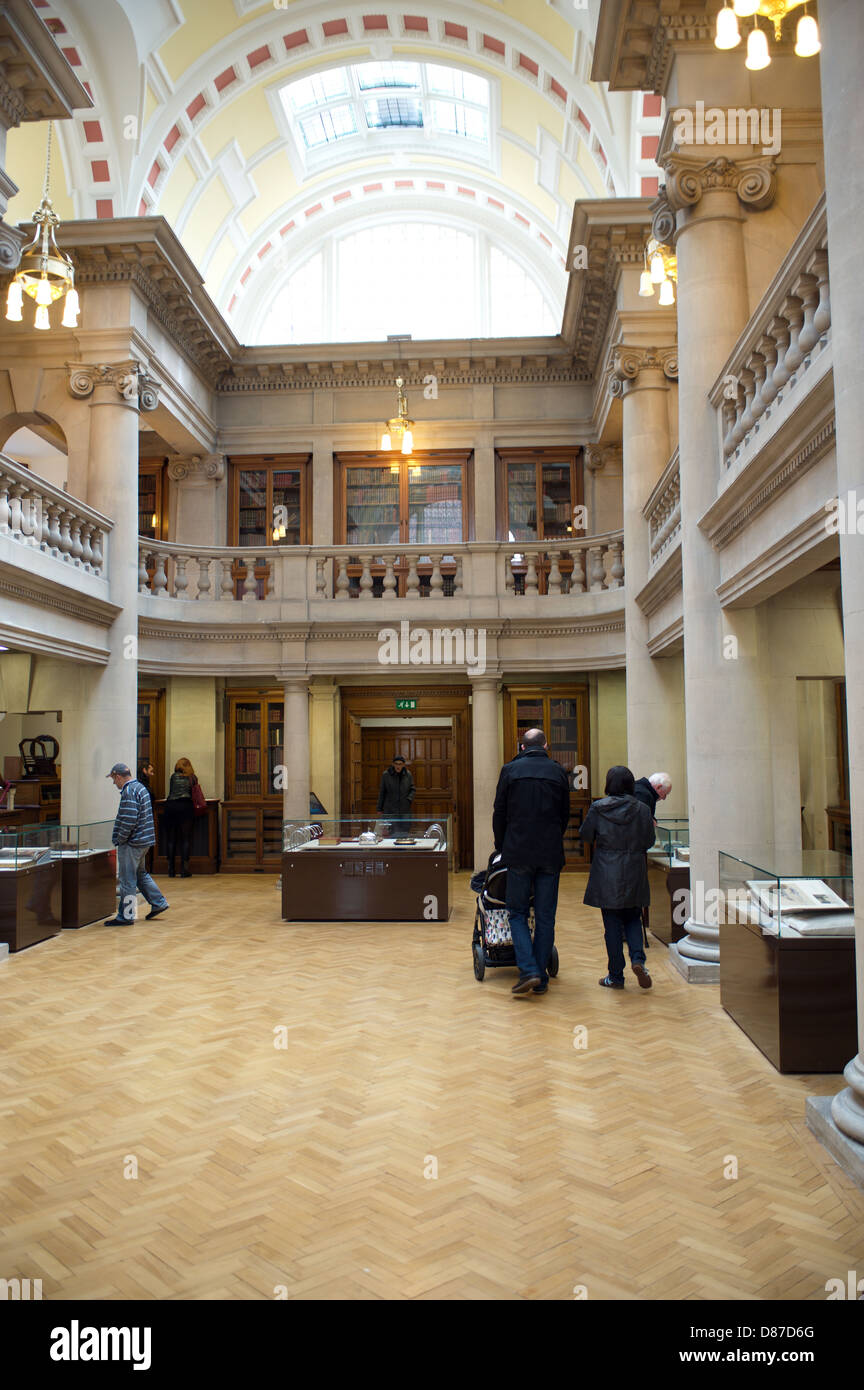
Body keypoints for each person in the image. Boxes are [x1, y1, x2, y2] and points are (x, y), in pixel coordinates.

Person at [492, 727, 570, 998]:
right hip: (550, 853)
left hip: (518, 851)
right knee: (546, 916)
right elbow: (565, 813)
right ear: (546, 745)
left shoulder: (510, 771)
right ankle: (542, 977)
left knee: (517, 912)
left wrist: (501, 846)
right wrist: (553, 839)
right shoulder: (558, 772)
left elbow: (499, 811)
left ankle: (528, 970)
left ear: (522, 747)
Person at [579, 765, 656, 990]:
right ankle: (639, 960)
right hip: (634, 869)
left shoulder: (598, 808)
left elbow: (585, 835)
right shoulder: (642, 809)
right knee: (633, 917)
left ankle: (615, 976)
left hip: (607, 871)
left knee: (611, 925)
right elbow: (649, 841)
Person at [105, 762, 169, 925]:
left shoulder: (129, 791)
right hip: (144, 841)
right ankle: (158, 902)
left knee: (127, 879)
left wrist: (120, 838)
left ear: (118, 776)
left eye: (113, 779)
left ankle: (126, 916)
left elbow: (129, 820)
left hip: (132, 843)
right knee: (141, 874)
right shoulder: (140, 787)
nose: (114, 783)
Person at [163, 756, 198, 877]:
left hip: (170, 807)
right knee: (186, 839)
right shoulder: (192, 778)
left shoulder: (173, 777)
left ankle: (171, 870)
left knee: (171, 839)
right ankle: (184, 869)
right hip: (185, 807)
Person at [376, 755, 415, 825]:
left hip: (404, 809)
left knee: (404, 832)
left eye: (400, 764)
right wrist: (379, 809)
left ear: (403, 765)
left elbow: (412, 789)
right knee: (391, 833)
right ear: (393, 764)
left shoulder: (408, 774)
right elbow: (382, 792)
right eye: (396, 764)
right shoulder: (386, 775)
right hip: (390, 809)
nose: (398, 766)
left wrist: (408, 800)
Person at [138, 761, 156, 871]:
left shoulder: (141, 784)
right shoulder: (143, 786)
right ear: (144, 770)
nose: (153, 774)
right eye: (151, 771)